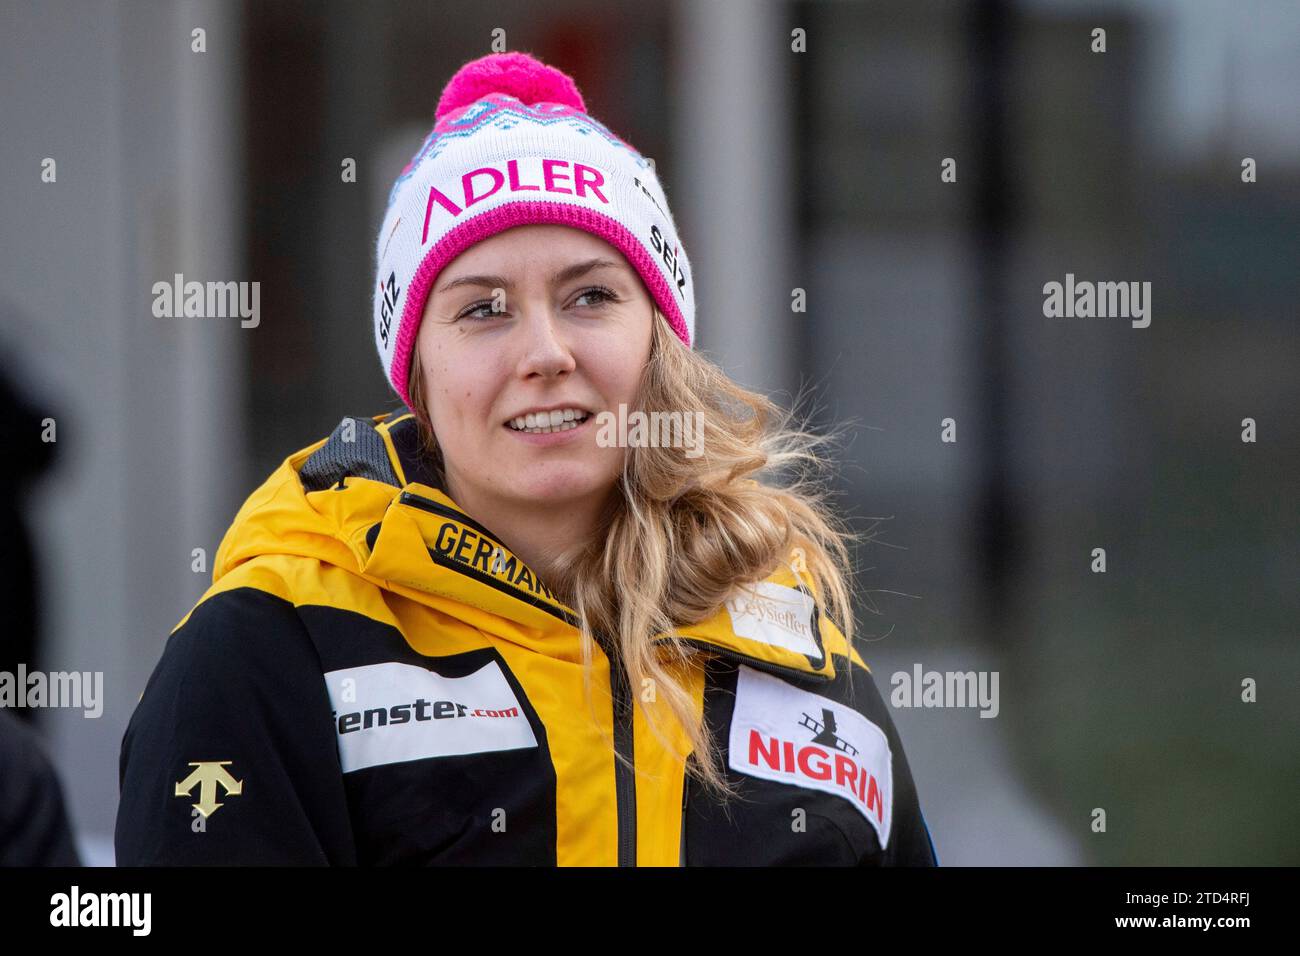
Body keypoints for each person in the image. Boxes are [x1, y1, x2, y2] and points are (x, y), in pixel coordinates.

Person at [115, 51, 938, 866]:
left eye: (590, 296)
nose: (545, 352)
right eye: (483, 309)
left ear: (657, 338)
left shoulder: (801, 664)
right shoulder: (268, 653)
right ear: (419, 376)